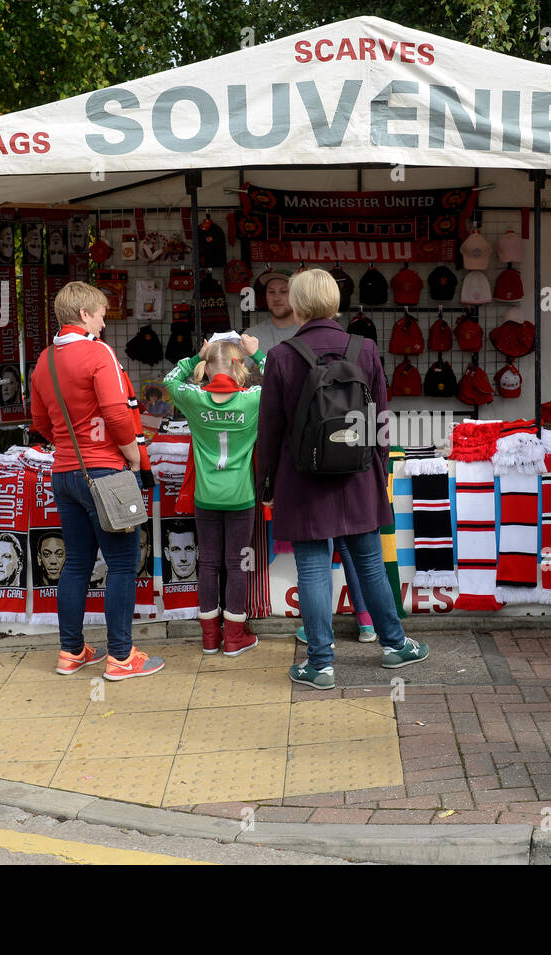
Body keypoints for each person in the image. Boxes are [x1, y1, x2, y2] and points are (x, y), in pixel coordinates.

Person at [256, 268, 429, 689]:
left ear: (296, 304)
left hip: (301, 480)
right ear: (335, 303)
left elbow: (270, 431)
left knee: (313, 569)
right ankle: (394, 645)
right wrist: (377, 470)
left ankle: (320, 665)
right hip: (358, 476)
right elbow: (381, 422)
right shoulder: (365, 349)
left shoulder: (281, 356)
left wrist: (267, 487)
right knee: (370, 562)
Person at [29, 280, 164, 680]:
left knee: (76, 564)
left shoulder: (44, 359)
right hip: (105, 470)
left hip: (64, 472)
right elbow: (118, 413)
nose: (105, 322)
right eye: (102, 314)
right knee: (122, 563)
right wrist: (132, 456)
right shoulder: (99, 352)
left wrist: (69, 445)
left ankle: (71, 652)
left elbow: (39, 420)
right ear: (86, 314)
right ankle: (121, 656)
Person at [164, 331, 266, 656]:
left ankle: (209, 638)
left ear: (208, 369)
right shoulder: (253, 399)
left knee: (208, 563)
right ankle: (234, 637)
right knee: (236, 564)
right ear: (240, 368)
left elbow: (169, 380)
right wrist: (258, 354)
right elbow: (285, 383)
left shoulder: (193, 398)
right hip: (241, 496)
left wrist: (197, 356)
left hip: (206, 496)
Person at [245, 271, 298, 352]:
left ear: (297, 295)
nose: (276, 298)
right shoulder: (251, 336)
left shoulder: (311, 334)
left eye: (283, 291)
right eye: (271, 292)